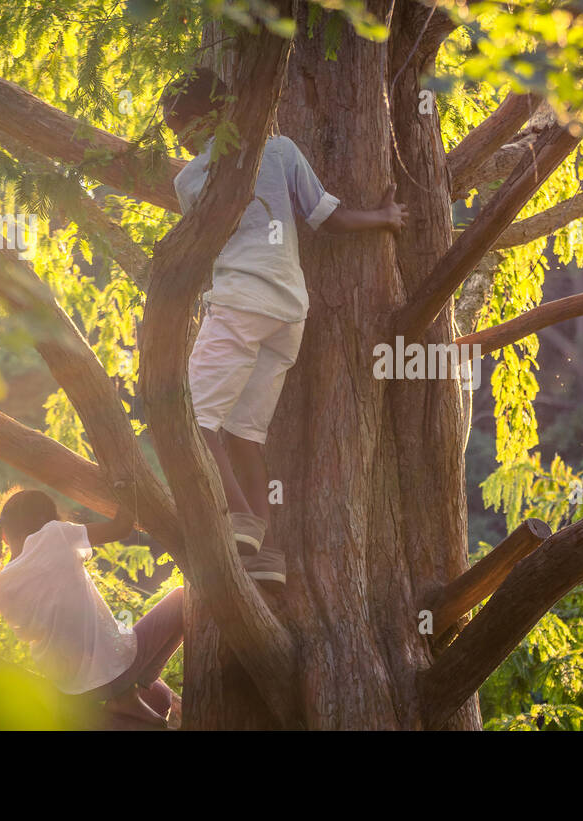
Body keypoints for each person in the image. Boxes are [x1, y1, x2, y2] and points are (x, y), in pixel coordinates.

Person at [161, 67, 407, 585]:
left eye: (176, 123)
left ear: (207, 114)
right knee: (243, 433)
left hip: (238, 304)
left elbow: (202, 251)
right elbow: (327, 218)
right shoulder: (279, 151)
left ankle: (240, 522)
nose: (175, 135)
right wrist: (384, 218)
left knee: (192, 418)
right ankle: (266, 557)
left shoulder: (189, 180)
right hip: (288, 313)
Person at [0, 488, 182, 727]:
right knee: (181, 598)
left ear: (3, 535)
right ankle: (136, 686)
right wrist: (124, 487)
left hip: (72, 688)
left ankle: (132, 700)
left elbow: (22, 576)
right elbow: (121, 528)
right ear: (51, 522)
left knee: (160, 697)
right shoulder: (56, 535)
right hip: (114, 665)